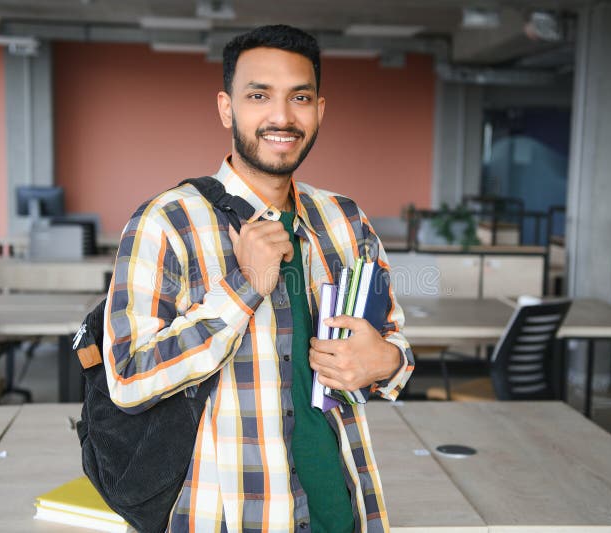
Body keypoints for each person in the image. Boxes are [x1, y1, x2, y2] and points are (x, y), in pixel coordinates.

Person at [103, 24, 414, 533]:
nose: (281, 116)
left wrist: (388, 359)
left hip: (342, 505)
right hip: (232, 515)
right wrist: (244, 286)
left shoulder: (344, 219)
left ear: (319, 111)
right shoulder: (167, 221)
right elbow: (128, 377)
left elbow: (391, 339)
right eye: (258, 95)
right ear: (227, 108)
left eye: (300, 97)